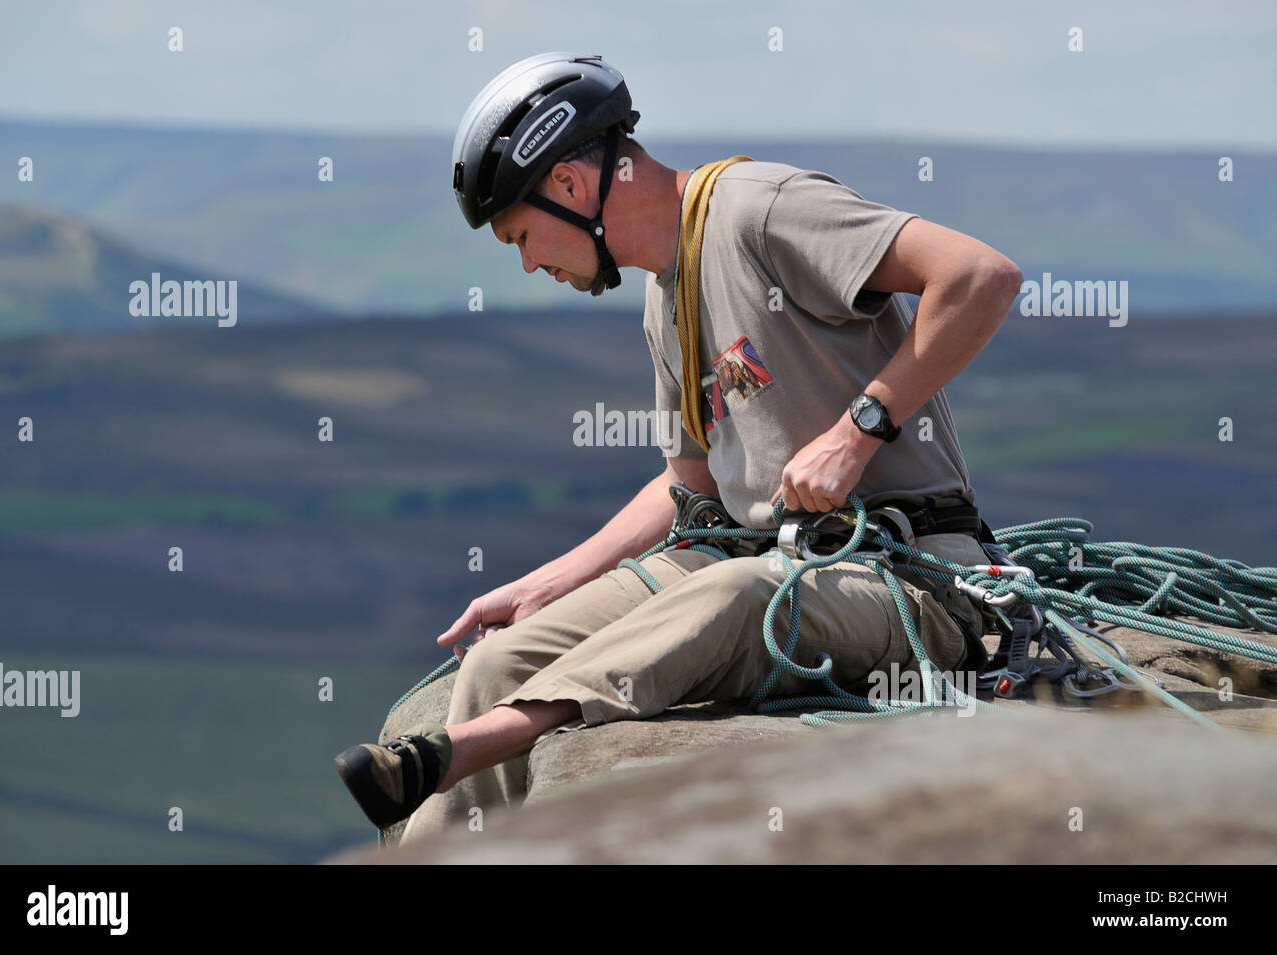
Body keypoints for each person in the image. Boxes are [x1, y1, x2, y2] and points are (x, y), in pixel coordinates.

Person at [334, 51, 1023, 840]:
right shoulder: (665, 297)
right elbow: (684, 484)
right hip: (745, 550)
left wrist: (856, 430)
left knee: (737, 598)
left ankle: (479, 744)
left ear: (569, 185)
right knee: (498, 661)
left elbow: (979, 275)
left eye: (521, 236)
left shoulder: (760, 209)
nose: (530, 262)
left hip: (903, 573)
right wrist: (544, 585)